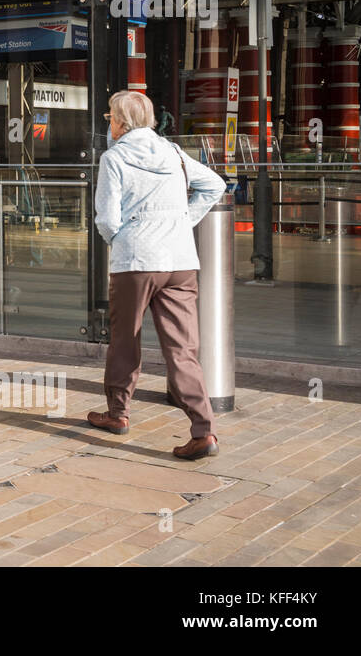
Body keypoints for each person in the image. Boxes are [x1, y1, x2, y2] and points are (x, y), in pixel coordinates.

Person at [89, 90, 226, 460]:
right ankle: (204, 431)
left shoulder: (113, 158)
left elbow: (106, 218)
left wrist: (122, 238)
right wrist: (182, 222)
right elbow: (215, 184)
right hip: (181, 261)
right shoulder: (174, 153)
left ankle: (118, 414)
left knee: (125, 340)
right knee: (183, 350)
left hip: (135, 262)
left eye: (110, 119)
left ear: (119, 122)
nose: (110, 125)